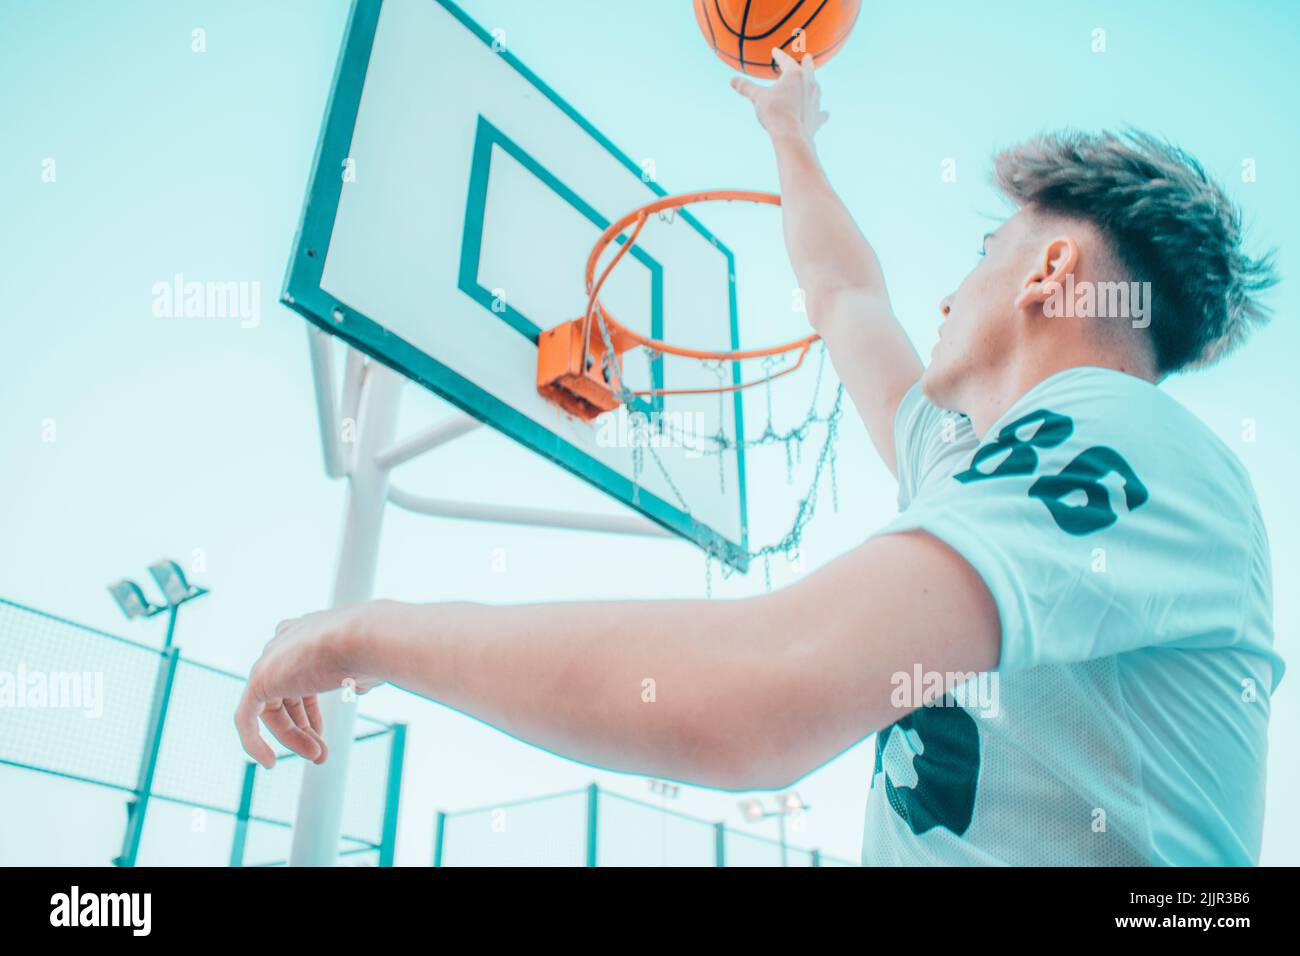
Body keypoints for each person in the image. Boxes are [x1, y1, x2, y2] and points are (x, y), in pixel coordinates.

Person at [236, 48, 1282, 865]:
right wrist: (792, 136)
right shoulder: (967, 458)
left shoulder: (1121, 431)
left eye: (980, 252)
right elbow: (845, 295)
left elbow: (753, 694)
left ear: (1053, 269)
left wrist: (361, 633)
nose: (947, 293)